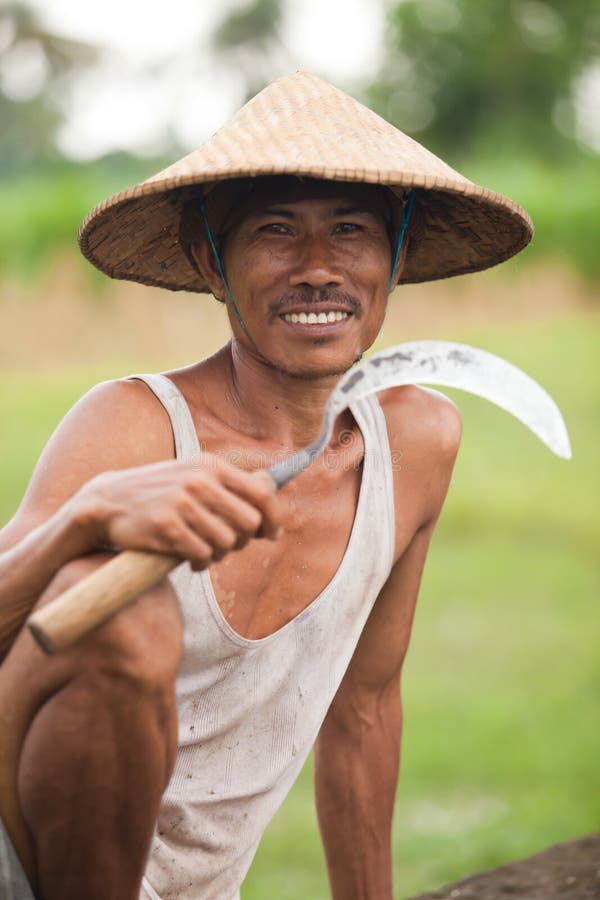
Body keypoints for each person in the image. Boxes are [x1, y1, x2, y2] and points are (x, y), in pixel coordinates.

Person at [0, 72, 532, 900]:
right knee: (122, 611)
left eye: (350, 230)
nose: (318, 269)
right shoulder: (132, 424)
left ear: (395, 259)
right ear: (210, 263)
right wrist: (84, 522)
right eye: (276, 230)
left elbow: (365, 707)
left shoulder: (418, 440)